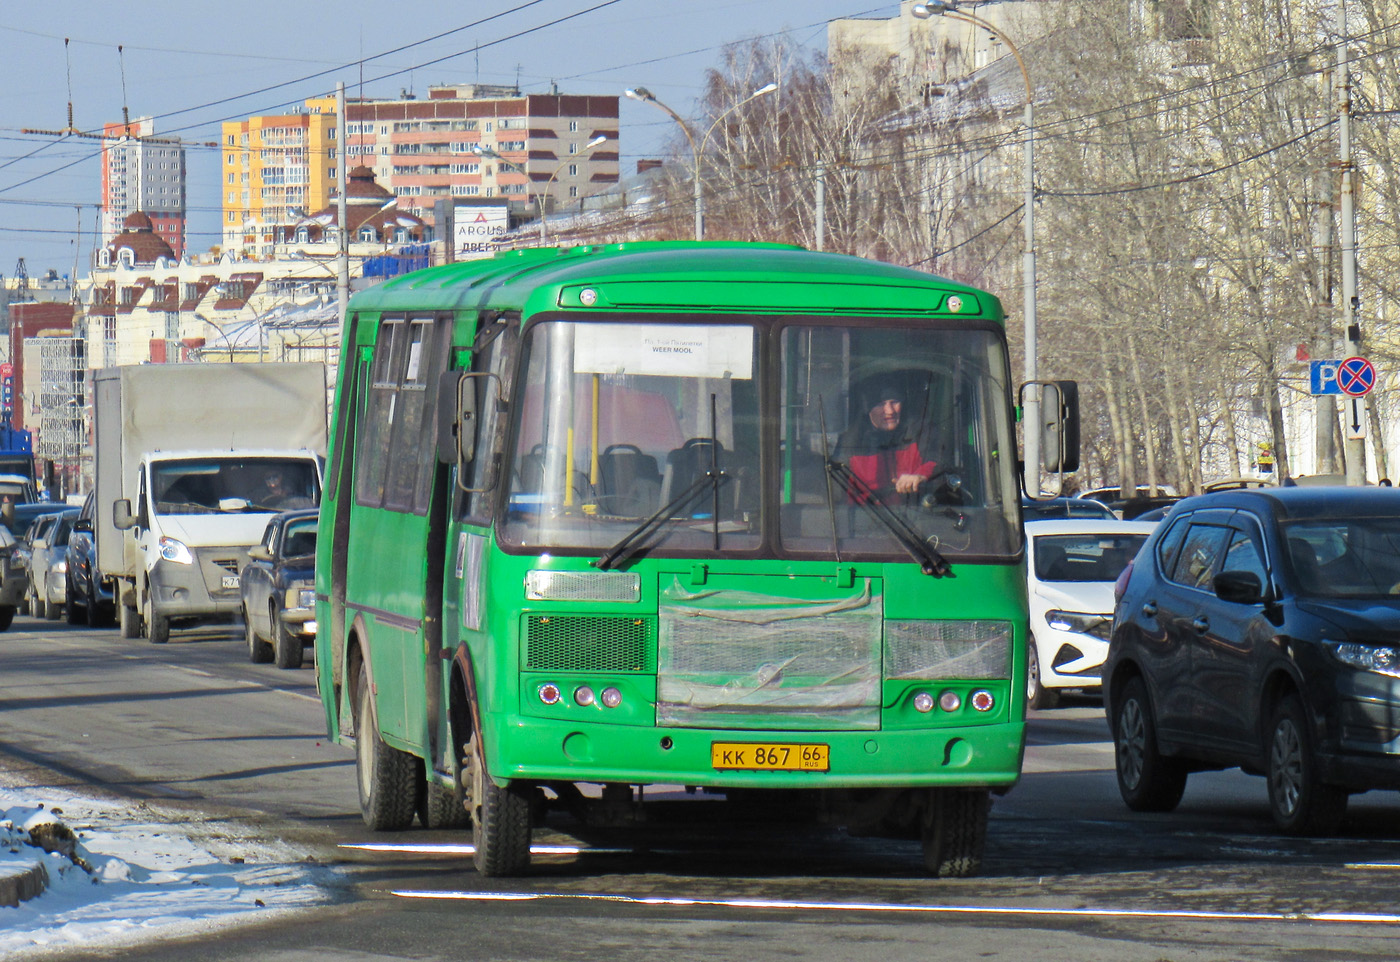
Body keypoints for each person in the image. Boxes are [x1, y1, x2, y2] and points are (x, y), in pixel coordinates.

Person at [835, 385, 937, 504]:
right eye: (880, 404)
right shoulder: (851, 442)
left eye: (894, 402)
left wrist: (921, 475)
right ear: (868, 408)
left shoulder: (919, 433)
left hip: (913, 515)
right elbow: (837, 492)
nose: (890, 411)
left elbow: (939, 460)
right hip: (865, 516)